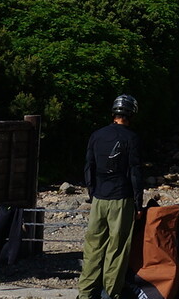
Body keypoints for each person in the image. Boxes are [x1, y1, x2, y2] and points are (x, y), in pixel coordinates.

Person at [78, 93, 144, 299]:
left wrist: (93, 193)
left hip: (99, 198)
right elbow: (134, 172)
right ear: (132, 113)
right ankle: (111, 293)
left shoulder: (96, 135)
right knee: (117, 249)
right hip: (121, 199)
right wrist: (138, 204)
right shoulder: (132, 138)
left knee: (93, 247)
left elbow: (88, 167)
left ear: (113, 112)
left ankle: (86, 293)